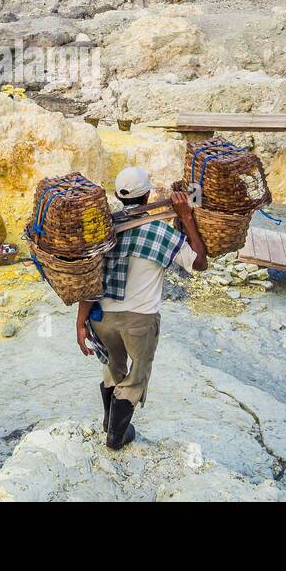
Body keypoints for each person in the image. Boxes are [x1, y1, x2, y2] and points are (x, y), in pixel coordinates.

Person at [75, 167, 208, 451]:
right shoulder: (160, 231)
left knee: (112, 368)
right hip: (140, 321)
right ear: (147, 196)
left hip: (102, 318)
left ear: (117, 196)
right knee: (136, 377)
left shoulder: (105, 230)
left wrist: (80, 321)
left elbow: (90, 277)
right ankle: (116, 437)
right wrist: (186, 217)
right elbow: (199, 262)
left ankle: (109, 422)